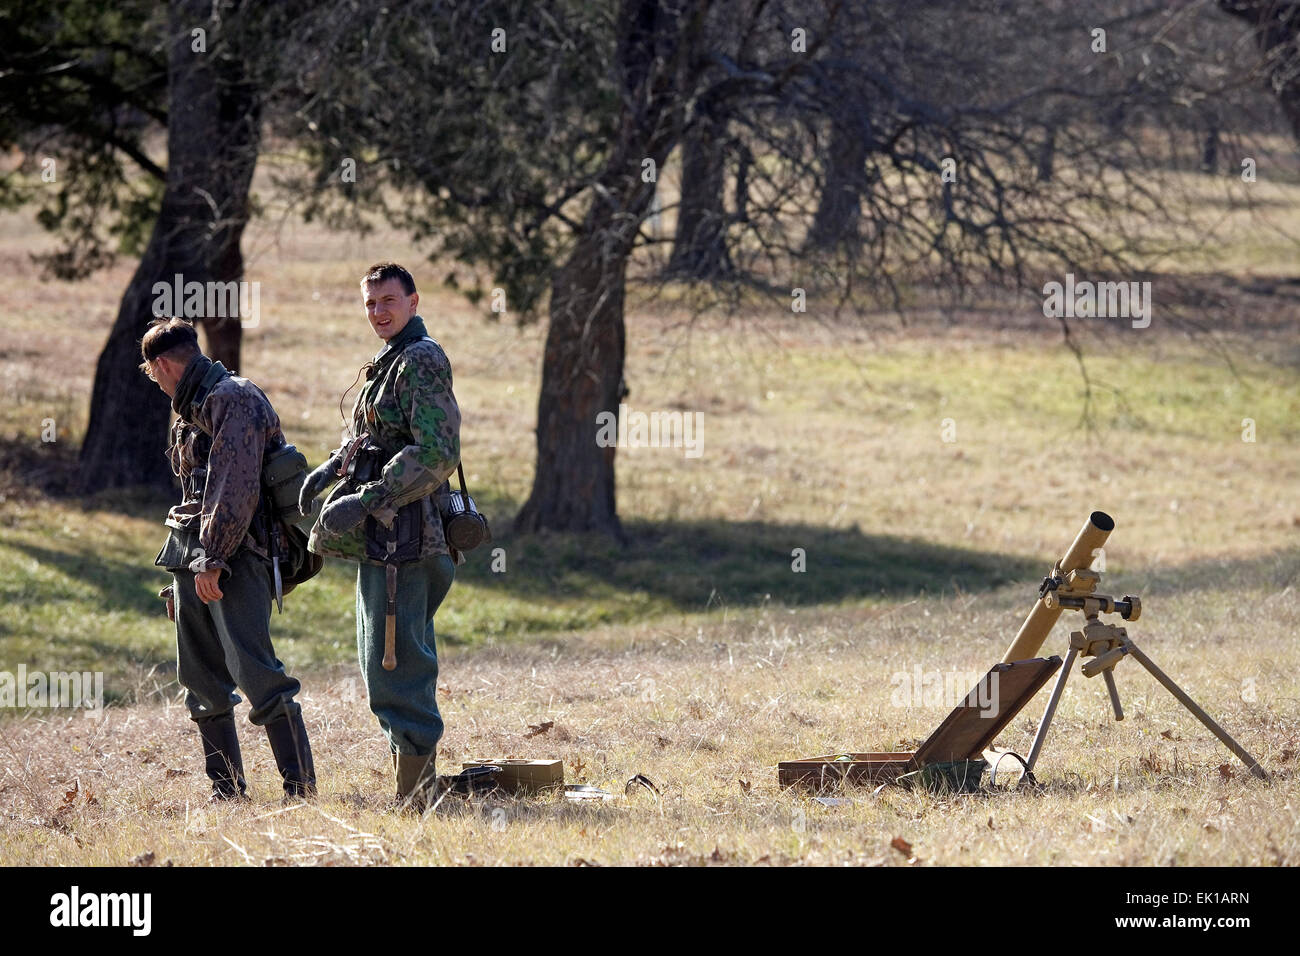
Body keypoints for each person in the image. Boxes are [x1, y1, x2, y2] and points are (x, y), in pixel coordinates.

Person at [301, 262, 461, 812]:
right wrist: (330, 471)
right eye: (370, 303)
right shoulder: (389, 361)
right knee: (382, 659)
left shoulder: (420, 359)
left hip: (409, 541)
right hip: (386, 540)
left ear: (414, 302)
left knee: (396, 663)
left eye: (389, 301)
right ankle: (416, 786)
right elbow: (375, 435)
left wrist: (366, 499)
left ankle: (418, 796)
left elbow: (438, 452)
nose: (379, 312)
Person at [143, 318, 316, 802]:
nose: (154, 381)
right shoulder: (189, 408)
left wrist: (214, 558)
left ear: (161, 365)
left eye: (152, 372)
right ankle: (227, 791)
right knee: (200, 679)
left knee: (255, 670)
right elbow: (197, 492)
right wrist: (190, 565)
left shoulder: (231, 398)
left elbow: (234, 486)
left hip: (238, 554)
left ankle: (301, 790)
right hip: (193, 555)